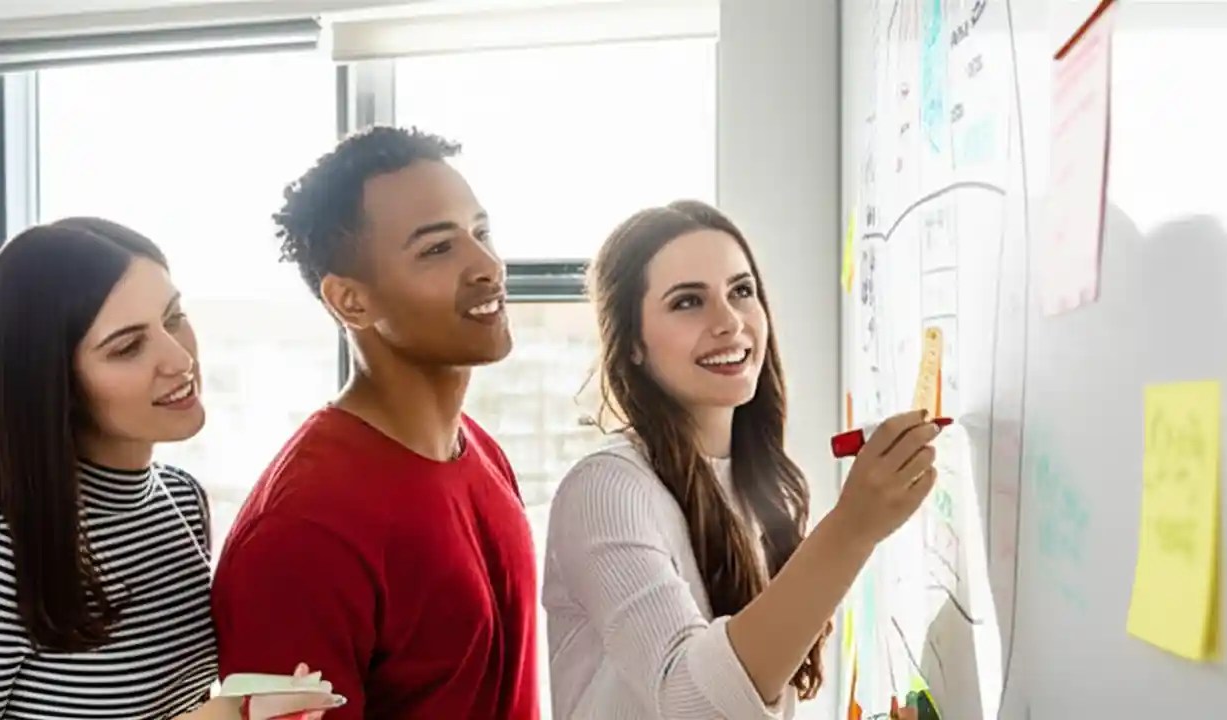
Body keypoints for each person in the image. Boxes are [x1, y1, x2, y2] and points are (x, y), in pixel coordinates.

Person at [541, 200, 939, 719]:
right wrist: (852, 528)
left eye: (741, 291)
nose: (729, 321)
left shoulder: (755, 488)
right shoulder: (606, 489)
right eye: (687, 302)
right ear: (633, 343)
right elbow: (692, 704)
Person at [211, 126, 538, 720]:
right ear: (351, 302)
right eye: (438, 249)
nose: (488, 265)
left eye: (481, 233)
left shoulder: (480, 451)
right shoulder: (303, 528)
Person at [0, 218, 336, 720]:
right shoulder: (10, 547)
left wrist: (245, 704)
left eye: (174, 317)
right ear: (55, 384)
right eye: (128, 347)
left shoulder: (182, 499)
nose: (180, 359)